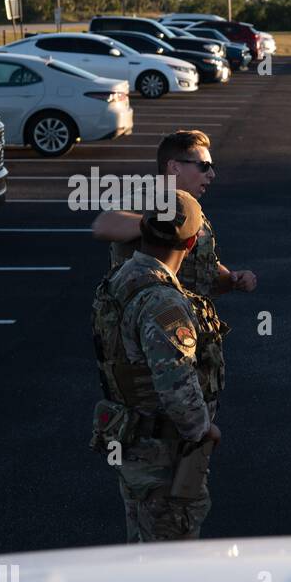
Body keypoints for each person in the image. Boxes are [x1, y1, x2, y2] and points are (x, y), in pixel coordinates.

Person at [90, 192, 227, 543]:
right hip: (163, 454)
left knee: (141, 546)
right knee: (170, 560)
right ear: (193, 241)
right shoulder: (163, 301)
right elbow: (175, 382)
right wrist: (202, 428)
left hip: (134, 438)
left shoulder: (121, 277)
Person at [91, 129, 258, 297]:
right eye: (204, 166)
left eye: (212, 167)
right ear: (175, 167)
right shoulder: (146, 199)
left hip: (183, 315)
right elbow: (103, 225)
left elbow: (202, 270)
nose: (211, 174)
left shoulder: (187, 208)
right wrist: (161, 223)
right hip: (145, 315)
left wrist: (232, 279)